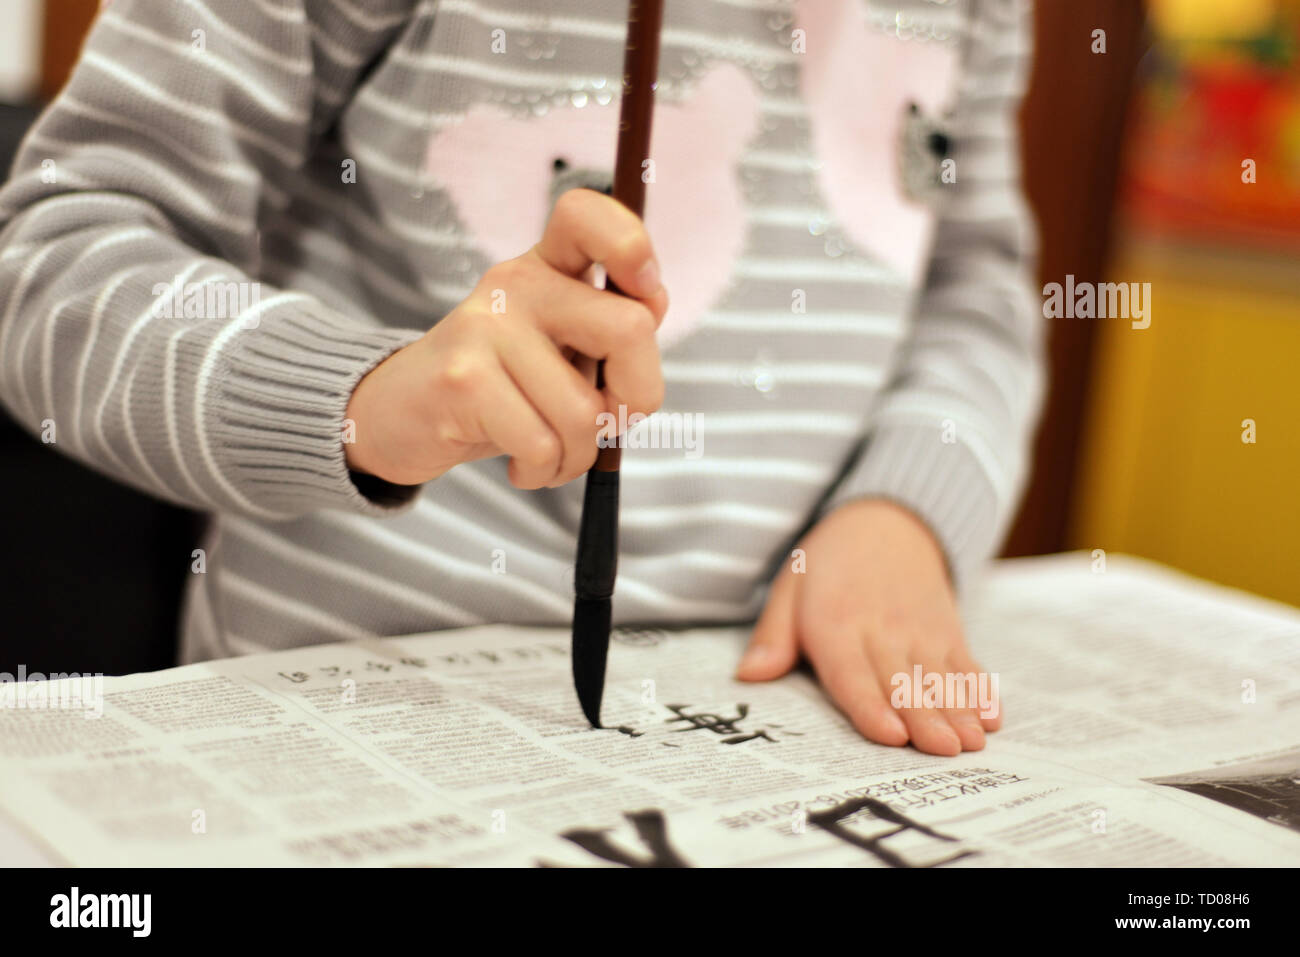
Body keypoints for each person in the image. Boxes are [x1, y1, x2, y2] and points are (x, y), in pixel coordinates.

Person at [0, 0, 1043, 756]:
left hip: (786, 705)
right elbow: (53, 272)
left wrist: (904, 507)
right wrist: (365, 397)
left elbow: (974, 286)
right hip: (362, 703)